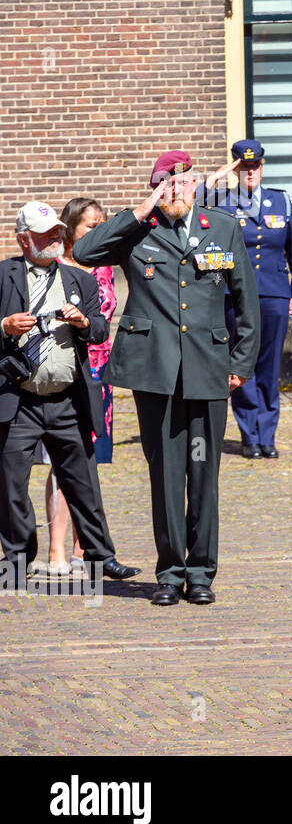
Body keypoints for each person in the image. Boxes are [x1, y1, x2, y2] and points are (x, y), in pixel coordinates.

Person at [73, 150, 260, 606]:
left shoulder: (223, 228)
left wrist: (238, 365)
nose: (175, 192)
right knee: (165, 474)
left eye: (181, 183)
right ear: (154, 187)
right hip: (155, 373)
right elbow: (83, 250)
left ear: (195, 184)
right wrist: (139, 211)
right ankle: (170, 573)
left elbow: (247, 307)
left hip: (209, 370)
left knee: (204, 474)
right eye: (164, 185)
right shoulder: (138, 231)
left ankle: (201, 573)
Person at [0, 202, 139, 584]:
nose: (55, 237)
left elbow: (98, 330)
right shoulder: (4, 275)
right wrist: (5, 326)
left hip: (67, 399)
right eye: (45, 233)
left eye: (57, 230)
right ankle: (16, 560)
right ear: (23, 239)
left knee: (83, 482)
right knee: (11, 484)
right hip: (19, 400)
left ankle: (100, 556)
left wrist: (82, 322)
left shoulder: (80, 280)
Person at [204, 140, 292, 459]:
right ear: (236, 169)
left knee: (270, 365)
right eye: (244, 168)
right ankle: (249, 435)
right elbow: (195, 209)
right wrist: (217, 177)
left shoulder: (281, 200)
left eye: (256, 167)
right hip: (236, 295)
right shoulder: (221, 201)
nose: (251, 173)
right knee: (242, 363)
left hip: (275, 292)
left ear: (263, 167)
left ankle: (268, 435)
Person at [42, 198, 117, 577]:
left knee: (89, 465)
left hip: (100, 375)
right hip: (68, 373)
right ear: (71, 229)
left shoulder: (105, 266)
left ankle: (83, 549)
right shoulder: (55, 268)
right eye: (91, 225)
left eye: (102, 223)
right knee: (62, 463)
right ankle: (55, 550)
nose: (98, 229)